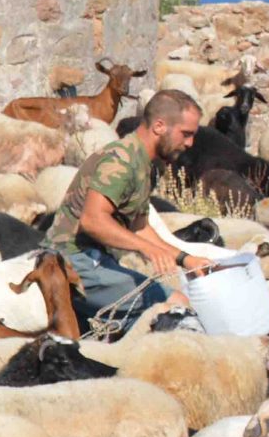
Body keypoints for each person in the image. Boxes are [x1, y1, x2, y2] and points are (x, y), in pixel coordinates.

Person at [46, 87, 214, 335]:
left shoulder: (141, 163)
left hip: (94, 259)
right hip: (70, 260)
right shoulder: (121, 161)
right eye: (185, 134)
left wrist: (186, 259)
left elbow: (140, 227)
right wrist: (145, 248)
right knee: (175, 305)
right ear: (159, 126)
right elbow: (92, 220)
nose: (190, 143)